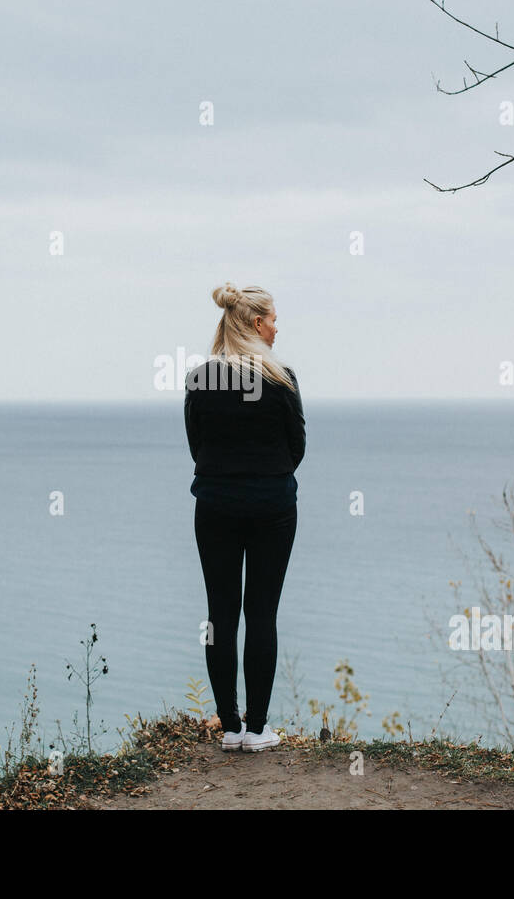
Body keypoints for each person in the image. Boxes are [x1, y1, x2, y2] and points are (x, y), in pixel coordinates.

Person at [183, 281, 305, 753]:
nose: (277, 328)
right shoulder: (282, 379)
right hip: (273, 509)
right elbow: (296, 449)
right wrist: (266, 479)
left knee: (220, 616)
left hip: (214, 507)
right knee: (262, 615)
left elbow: (197, 447)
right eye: (273, 319)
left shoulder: (199, 380)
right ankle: (258, 729)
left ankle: (230, 727)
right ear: (257, 323)